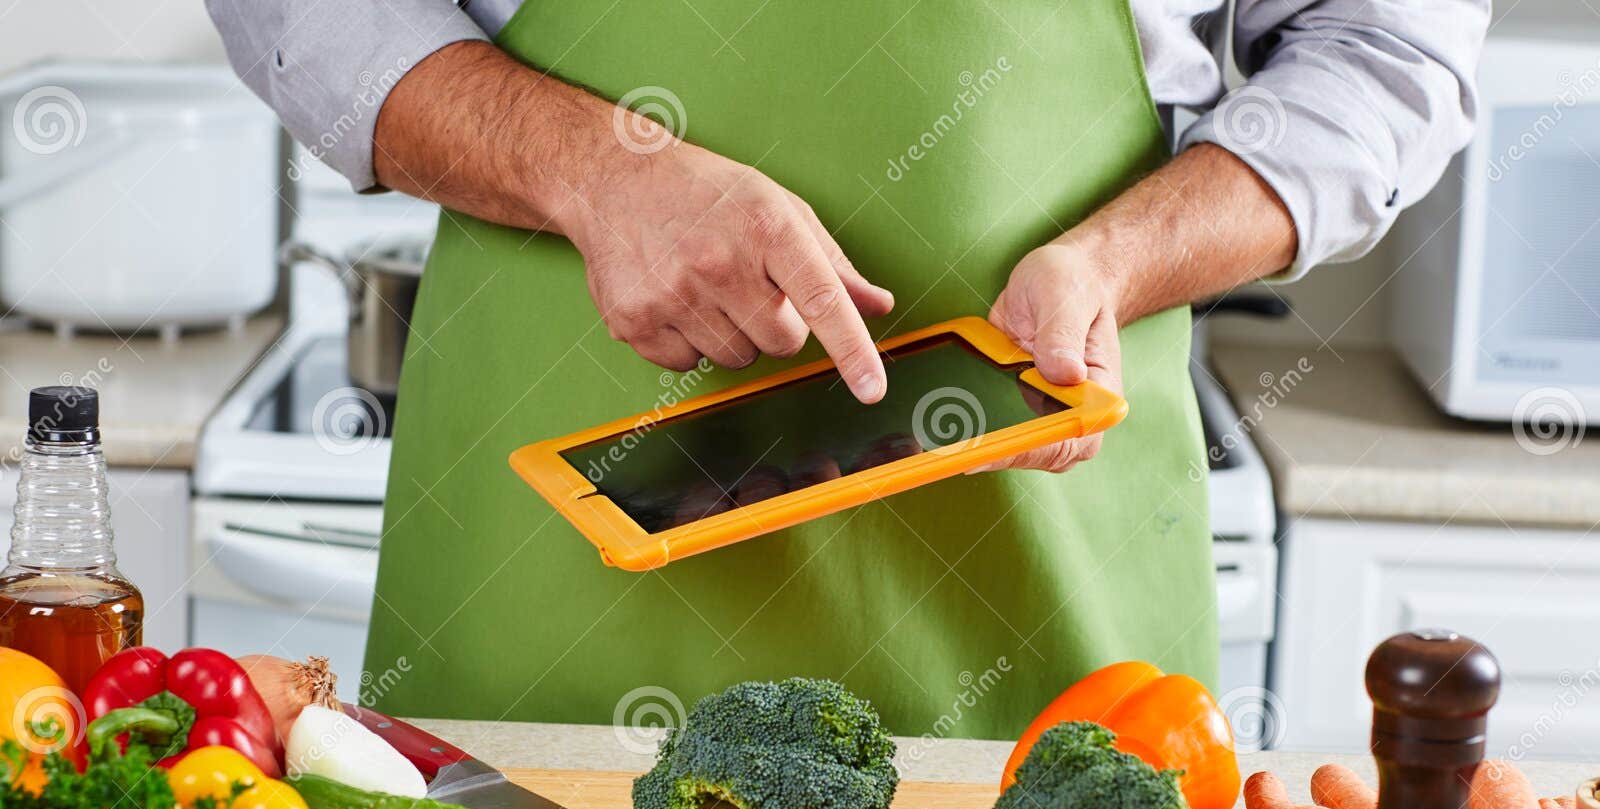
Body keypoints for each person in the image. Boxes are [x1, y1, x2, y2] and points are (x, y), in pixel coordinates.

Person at [208, 0, 1486, 736]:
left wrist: (1121, 259)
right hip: (553, 517)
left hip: (1041, 513)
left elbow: (1384, 50)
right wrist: (594, 171)